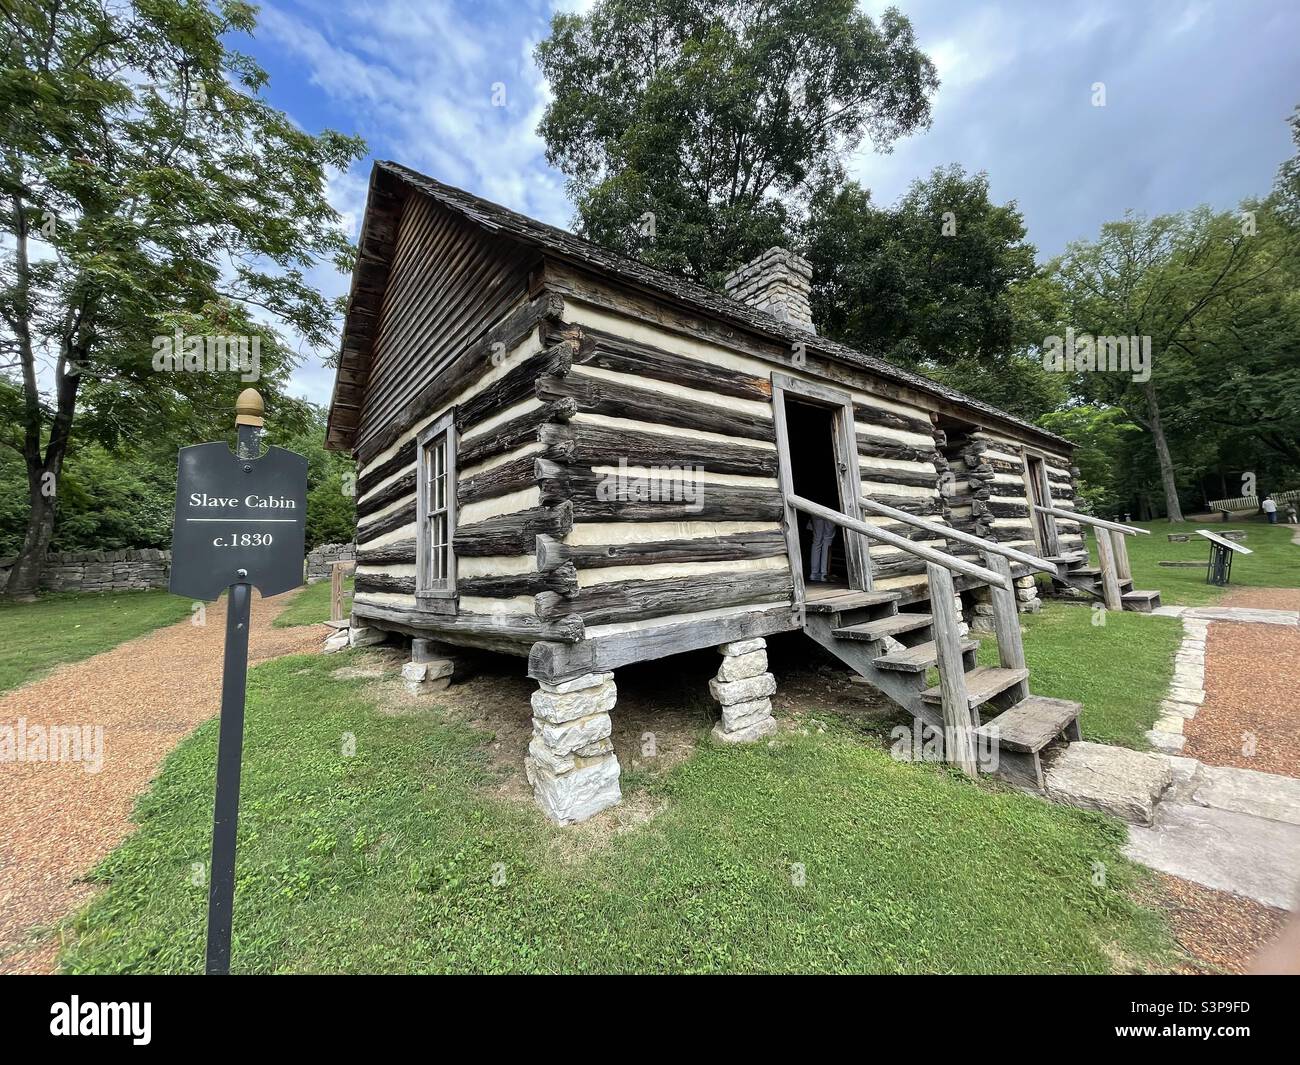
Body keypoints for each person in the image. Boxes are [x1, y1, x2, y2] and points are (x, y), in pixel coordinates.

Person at [807, 516, 837, 582]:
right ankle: (824, 574)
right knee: (827, 540)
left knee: (817, 540)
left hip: (816, 509)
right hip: (831, 510)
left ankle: (814, 574)